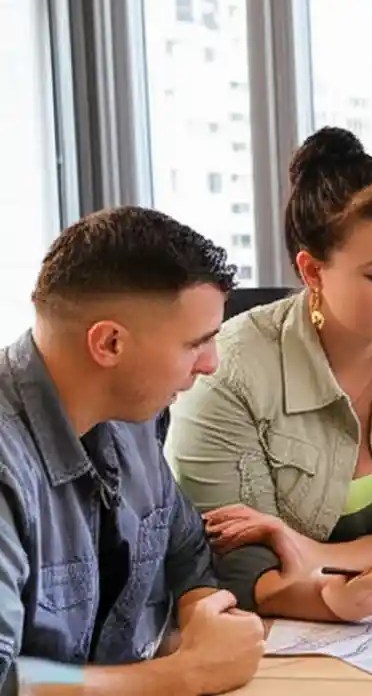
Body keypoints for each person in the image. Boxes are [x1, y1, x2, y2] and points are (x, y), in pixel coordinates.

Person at [166, 127, 372, 622]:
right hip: (264, 628)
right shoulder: (226, 372)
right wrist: (343, 582)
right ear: (311, 272)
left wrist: (343, 557)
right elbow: (234, 558)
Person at [0, 207, 264, 694]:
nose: (211, 364)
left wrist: (205, 613)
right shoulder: (7, 466)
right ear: (110, 343)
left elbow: (186, 550)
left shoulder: (134, 418)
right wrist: (183, 675)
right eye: (196, 343)